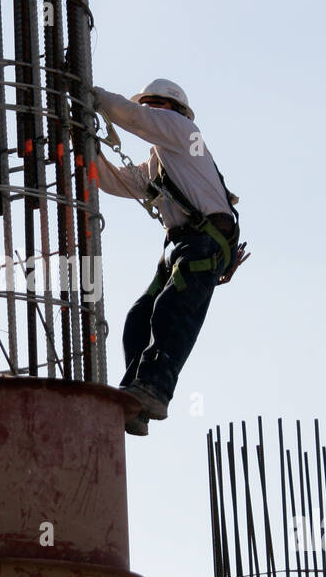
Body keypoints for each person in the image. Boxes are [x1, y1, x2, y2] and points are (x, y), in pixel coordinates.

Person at [91, 79, 242, 436]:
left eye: (160, 104)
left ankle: (156, 390)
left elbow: (136, 118)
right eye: (151, 103)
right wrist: (85, 147)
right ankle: (136, 398)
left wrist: (93, 98)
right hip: (183, 245)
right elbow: (113, 180)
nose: (155, 109)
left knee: (172, 310)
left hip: (204, 241)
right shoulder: (158, 166)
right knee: (139, 317)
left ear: (179, 113)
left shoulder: (185, 133)